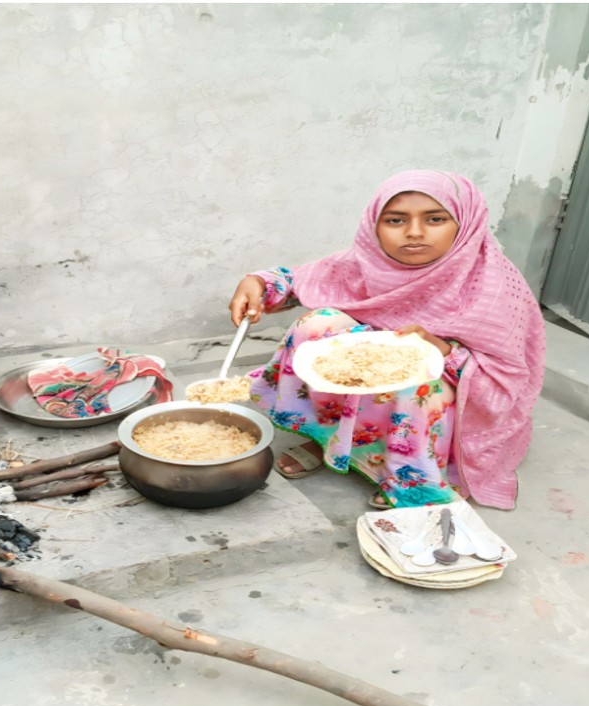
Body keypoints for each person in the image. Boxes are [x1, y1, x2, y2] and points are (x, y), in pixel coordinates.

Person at [228, 170, 544, 510]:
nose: (414, 233)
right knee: (317, 327)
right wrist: (258, 284)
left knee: (416, 387)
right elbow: (300, 280)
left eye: (435, 219)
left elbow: (506, 378)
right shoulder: (369, 261)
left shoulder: (492, 286)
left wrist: (443, 351)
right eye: (395, 220)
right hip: (371, 374)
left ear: (465, 223)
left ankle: (408, 475)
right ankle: (331, 441)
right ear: (374, 226)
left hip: (445, 385)